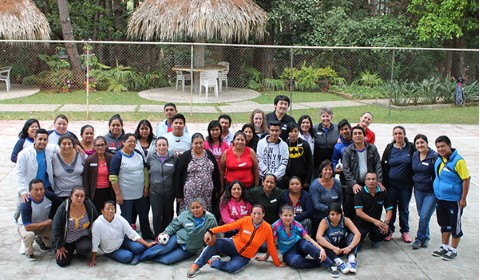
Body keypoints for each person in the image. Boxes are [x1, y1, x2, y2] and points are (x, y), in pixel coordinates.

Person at [187, 205, 283, 277]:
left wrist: (277, 263)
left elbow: (271, 245)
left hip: (244, 256)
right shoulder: (246, 220)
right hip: (233, 244)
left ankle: (214, 262)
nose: (256, 216)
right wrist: (211, 231)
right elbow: (229, 226)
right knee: (215, 243)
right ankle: (196, 265)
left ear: (263, 214)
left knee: (232, 268)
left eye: (259, 213)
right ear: (251, 214)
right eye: (254, 213)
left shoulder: (267, 228)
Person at [257, 205, 335, 277]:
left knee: (307, 245)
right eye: (285, 215)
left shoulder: (296, 224)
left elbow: (309, 239)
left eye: (290, 215)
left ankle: (330, 264)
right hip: (287, 252)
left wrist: (321, 249)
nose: (288, 218)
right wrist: (266, 257)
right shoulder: (276, 226)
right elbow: (273, 244)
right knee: (296, 262)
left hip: (298, 245)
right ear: (280, 216)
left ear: (293, 215)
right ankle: (318, 263)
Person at [139, 198, 218, 264]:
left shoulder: (210, 219)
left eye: (198, 207)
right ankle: (140, 257)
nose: (195, 210)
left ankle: (150, 258)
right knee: (161, 250)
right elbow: (174, 225)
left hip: (190, 249)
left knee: (167, 260)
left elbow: (215, 234)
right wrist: (166, 232)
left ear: (203, 207)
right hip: (178, 238)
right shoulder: (185, 215)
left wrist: (217, 250)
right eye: (193, 208)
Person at [431, 135, 470, 261]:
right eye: (438, 147)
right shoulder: (438, 158)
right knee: (444, 223)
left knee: (455, 225)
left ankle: (453, 250)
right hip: (440, 198)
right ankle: (444, 246)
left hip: (454, 200)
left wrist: (463, 199)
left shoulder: (458, 161)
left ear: (449, 145)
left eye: (443, 146)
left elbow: (466, 180)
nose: (441, 149)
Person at [109, 133, 154, 240]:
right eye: (130, 141)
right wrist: (118, 194)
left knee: (144, 216)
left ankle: (147, 234)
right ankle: (127, 238)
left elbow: (145, 171)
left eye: (134, 142)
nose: (132, 144)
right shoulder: (117, 157)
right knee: (127, 218)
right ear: (123, 142)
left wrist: (146, 187)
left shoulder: (138, 154)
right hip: (125, 195)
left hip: (140, 194)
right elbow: (113, 177)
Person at [89, 201, 156, 266]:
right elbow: (95, 242)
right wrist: (93, 259)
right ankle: (137, 256)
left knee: (140, 248)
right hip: (111, 250)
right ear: (102, 211)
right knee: (127, 257)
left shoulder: (119, 218)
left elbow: (132, 233)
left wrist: (147, 244)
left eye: (112, 209)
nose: (110, 211)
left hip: (122, 241)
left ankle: (137, 256)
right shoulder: (97, 224)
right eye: (107, 209)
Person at [381, 126, 415, 243]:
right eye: (395, 133)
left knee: (404, 209)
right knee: (391, 209)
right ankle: (390, 230)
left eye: (400, 133)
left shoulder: (411, 148)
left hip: (405, 186)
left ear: (404, 134)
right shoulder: (389, 148)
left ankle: (405, 231)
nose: (398, 136)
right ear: (393, 135)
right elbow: (383, 165)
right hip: (391, 185)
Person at [342, 126, 383, 219]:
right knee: (349, 209)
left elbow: (378, 165)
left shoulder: (372, 148)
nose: (357, 136)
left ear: (364, 136)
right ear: (352, 137)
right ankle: (350, 231)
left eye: (360, 133)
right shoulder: (348, 151)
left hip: (369, 184)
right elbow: (346, 169)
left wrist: (379, 181)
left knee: (369, 208)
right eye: (355, 134)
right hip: (354, 184)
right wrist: (353, 184)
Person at [52, 186, 98, 267]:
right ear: (71, 196)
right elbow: (56, 227)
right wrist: (59, 246)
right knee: (62, 262)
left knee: (86, 249)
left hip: (82, 237)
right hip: (66, 239)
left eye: (82, 196)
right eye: (76, 195)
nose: (79, 198)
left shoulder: (89, 206)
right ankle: (70, 251)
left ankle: (80, 251)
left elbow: (96, 221)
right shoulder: (64, 207)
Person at [175, 133, 221, 213]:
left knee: (205, 214)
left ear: (204, 143)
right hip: (190, 195)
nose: (198, 145)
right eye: (196, 143)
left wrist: (217, 189)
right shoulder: (186, 156)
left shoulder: (209, 155)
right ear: (192, 144)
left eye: (200, 143)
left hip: (206, 195)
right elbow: (178, 175)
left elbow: (215, 173)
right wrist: (179, 194)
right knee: (190, 214)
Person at [18, 179, 61, 261]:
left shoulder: (50, 196)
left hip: (43, 224)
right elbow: (27, 226)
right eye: (36, 190)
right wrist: (46, 223)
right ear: (30, 191)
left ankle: (41, 240)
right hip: (26, 226)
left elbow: (62, 206)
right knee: (29, 235)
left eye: (41, 189)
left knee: (55, 235)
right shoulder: (26, 203)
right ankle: (29, 252)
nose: (39, 192)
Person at [316, 203, 361, 275]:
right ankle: (339, 262)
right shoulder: (325, 222)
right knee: (322, 240)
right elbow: (318, 237)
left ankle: (351, 260)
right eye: (332, 214)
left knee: (353, 236)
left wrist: (350, 247)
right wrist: (333, 248)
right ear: (328, 215)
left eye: (338, 214)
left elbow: (358, 234)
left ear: (342, 213)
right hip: (331, 248)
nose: (335, 217)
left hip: (343, 247)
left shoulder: (345, 220)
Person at [353, 172, 392, 249]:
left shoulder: (382, 192)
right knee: (357, 247)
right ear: (365, 181)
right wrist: (375, 221)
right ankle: (361, 237)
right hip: (361, 223)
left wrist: (386, 223)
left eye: (373, 179)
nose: (371, 181)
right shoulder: (359, 193)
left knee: (386, 231)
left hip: (375, 223)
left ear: (377, 181)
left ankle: (374, 239)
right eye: (368, 179)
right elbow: (359, 212)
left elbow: (389, 209)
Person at [146, 137, 177, 235]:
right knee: (157, 215)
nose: (162, 147)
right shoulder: (151, 157)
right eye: (159, 145)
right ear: (155, 147)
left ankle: (167, 233)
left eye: (164, 145)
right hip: (155, 192)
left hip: (169, 192)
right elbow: (146, 172)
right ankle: (158, 235)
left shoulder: (174, 157)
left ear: (168, 146)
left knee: (168, 214)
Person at [411, 134, 437, 249]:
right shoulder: (415, 155)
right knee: (422, 215)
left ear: (427, 143)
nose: (420, 145)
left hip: (431, 192)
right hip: (418, 190)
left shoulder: (434, 157)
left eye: (422, 142)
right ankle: (426, 237)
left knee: (424, 216)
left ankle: (419, 238)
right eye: (417, 143)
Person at [310, 160, 343, 238]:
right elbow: (316, 204)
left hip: (335, 212)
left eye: (330, 169)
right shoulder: (315, 185)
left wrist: (337, 210)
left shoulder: (337, 183)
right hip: (320, 214)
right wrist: (331, 210)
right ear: (321, 172)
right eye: (325, 169)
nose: (328, 171)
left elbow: (340, 199)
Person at [83, 136, 115, 213]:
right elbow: (85, 178)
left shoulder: (111, 158)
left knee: (108, 212)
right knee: (96, 213)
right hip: (95, 192)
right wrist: (87, 194)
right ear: (94, 147)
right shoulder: (89, 159)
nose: (100, 147)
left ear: (106, 145)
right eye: (97, 145)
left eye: (102, 145)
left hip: (108, 191)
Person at [52, 135, 86, 200]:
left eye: (69, 144)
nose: (67, 146)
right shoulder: (53, 158)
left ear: (73, 145)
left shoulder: (81, 155)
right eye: (64, 144)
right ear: (59, 145)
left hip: (79, 195)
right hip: (60, 194)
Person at [256, 120, 289, 188]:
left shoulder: (284, 145)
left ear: (280, 131)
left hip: (278, 180)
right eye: (272, 130)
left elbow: (284, 163)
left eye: (276, 130)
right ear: (269, 130)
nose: (274, 133)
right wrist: (268, 176)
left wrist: (274, 176)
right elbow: (259, 160)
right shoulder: (261, 143)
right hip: (263, 179)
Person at [284, 122, 313, 190]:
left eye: (295, 131)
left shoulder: (304, 144)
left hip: (302, 178)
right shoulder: (284, 144)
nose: (293, 134)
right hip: (288, 178)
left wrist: (308, 180)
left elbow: (310, 162)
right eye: (291, 131)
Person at [312, 107, 339, 175]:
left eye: (327, 116)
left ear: (331, 117)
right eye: (323, 116)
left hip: (331, 161)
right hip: (317, 162)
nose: (325, 118)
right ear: (320, 117)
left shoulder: (337, 129)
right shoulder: (314, 128)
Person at [331, 119, 353, 188]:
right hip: (345, 175)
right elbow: (334, 160)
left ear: (350, 129)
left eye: (346, 129)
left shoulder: (357, 141)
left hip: (358, 175)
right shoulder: (338, 146)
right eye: (342, 130)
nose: (344, 131)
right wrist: (335, 168)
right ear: (339, 132)